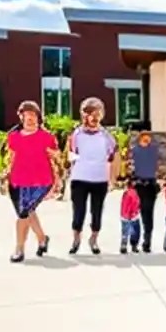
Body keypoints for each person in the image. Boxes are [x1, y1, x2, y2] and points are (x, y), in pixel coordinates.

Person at [2, 101, 59, 263]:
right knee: (28, 212)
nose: (30, 118)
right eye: (26, 115)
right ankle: (42, 238)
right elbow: (11, 158)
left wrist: (58, 181)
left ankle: (19, 249)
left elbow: (57, 157)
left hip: (41, 182)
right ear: (21, 117)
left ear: (38, 117)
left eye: (33, 115)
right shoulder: (13, 137)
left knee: (23, 214)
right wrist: (5, 176)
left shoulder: (46, 137)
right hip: (17, 182)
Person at [67, 97, 118, 255]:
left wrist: (113, 178)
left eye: (98, 114)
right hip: (79, 179)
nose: (94, 117)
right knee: (78, 212)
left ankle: (94, 239)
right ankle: (76, 239)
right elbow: (71, 155)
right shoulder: (76, 134)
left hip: (99, 179)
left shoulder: (106, 136)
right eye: (91, 114)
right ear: (84, 115)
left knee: (97, 212)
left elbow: (114, 156)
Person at [129, 130, 161, 253]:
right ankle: (134, 241)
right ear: (140, 139)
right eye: (144, 139)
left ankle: (147, 241)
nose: (146, 141)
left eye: (148, 139)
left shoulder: (153, 150)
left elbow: (156, 166)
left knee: (148, 214)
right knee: (135, 214)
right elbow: (130, 166)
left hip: (150, 185)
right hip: (138, 185)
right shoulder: (135, 151)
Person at [119, 182, 142, 254]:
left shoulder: (126, 193)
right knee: (135, 232)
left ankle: (123, 246)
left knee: (125, 232)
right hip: (132, 216)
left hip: (125, 216)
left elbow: (124, 205)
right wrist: (132, 213)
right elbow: (134, 205)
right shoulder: (133, 193)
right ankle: (134, 246)